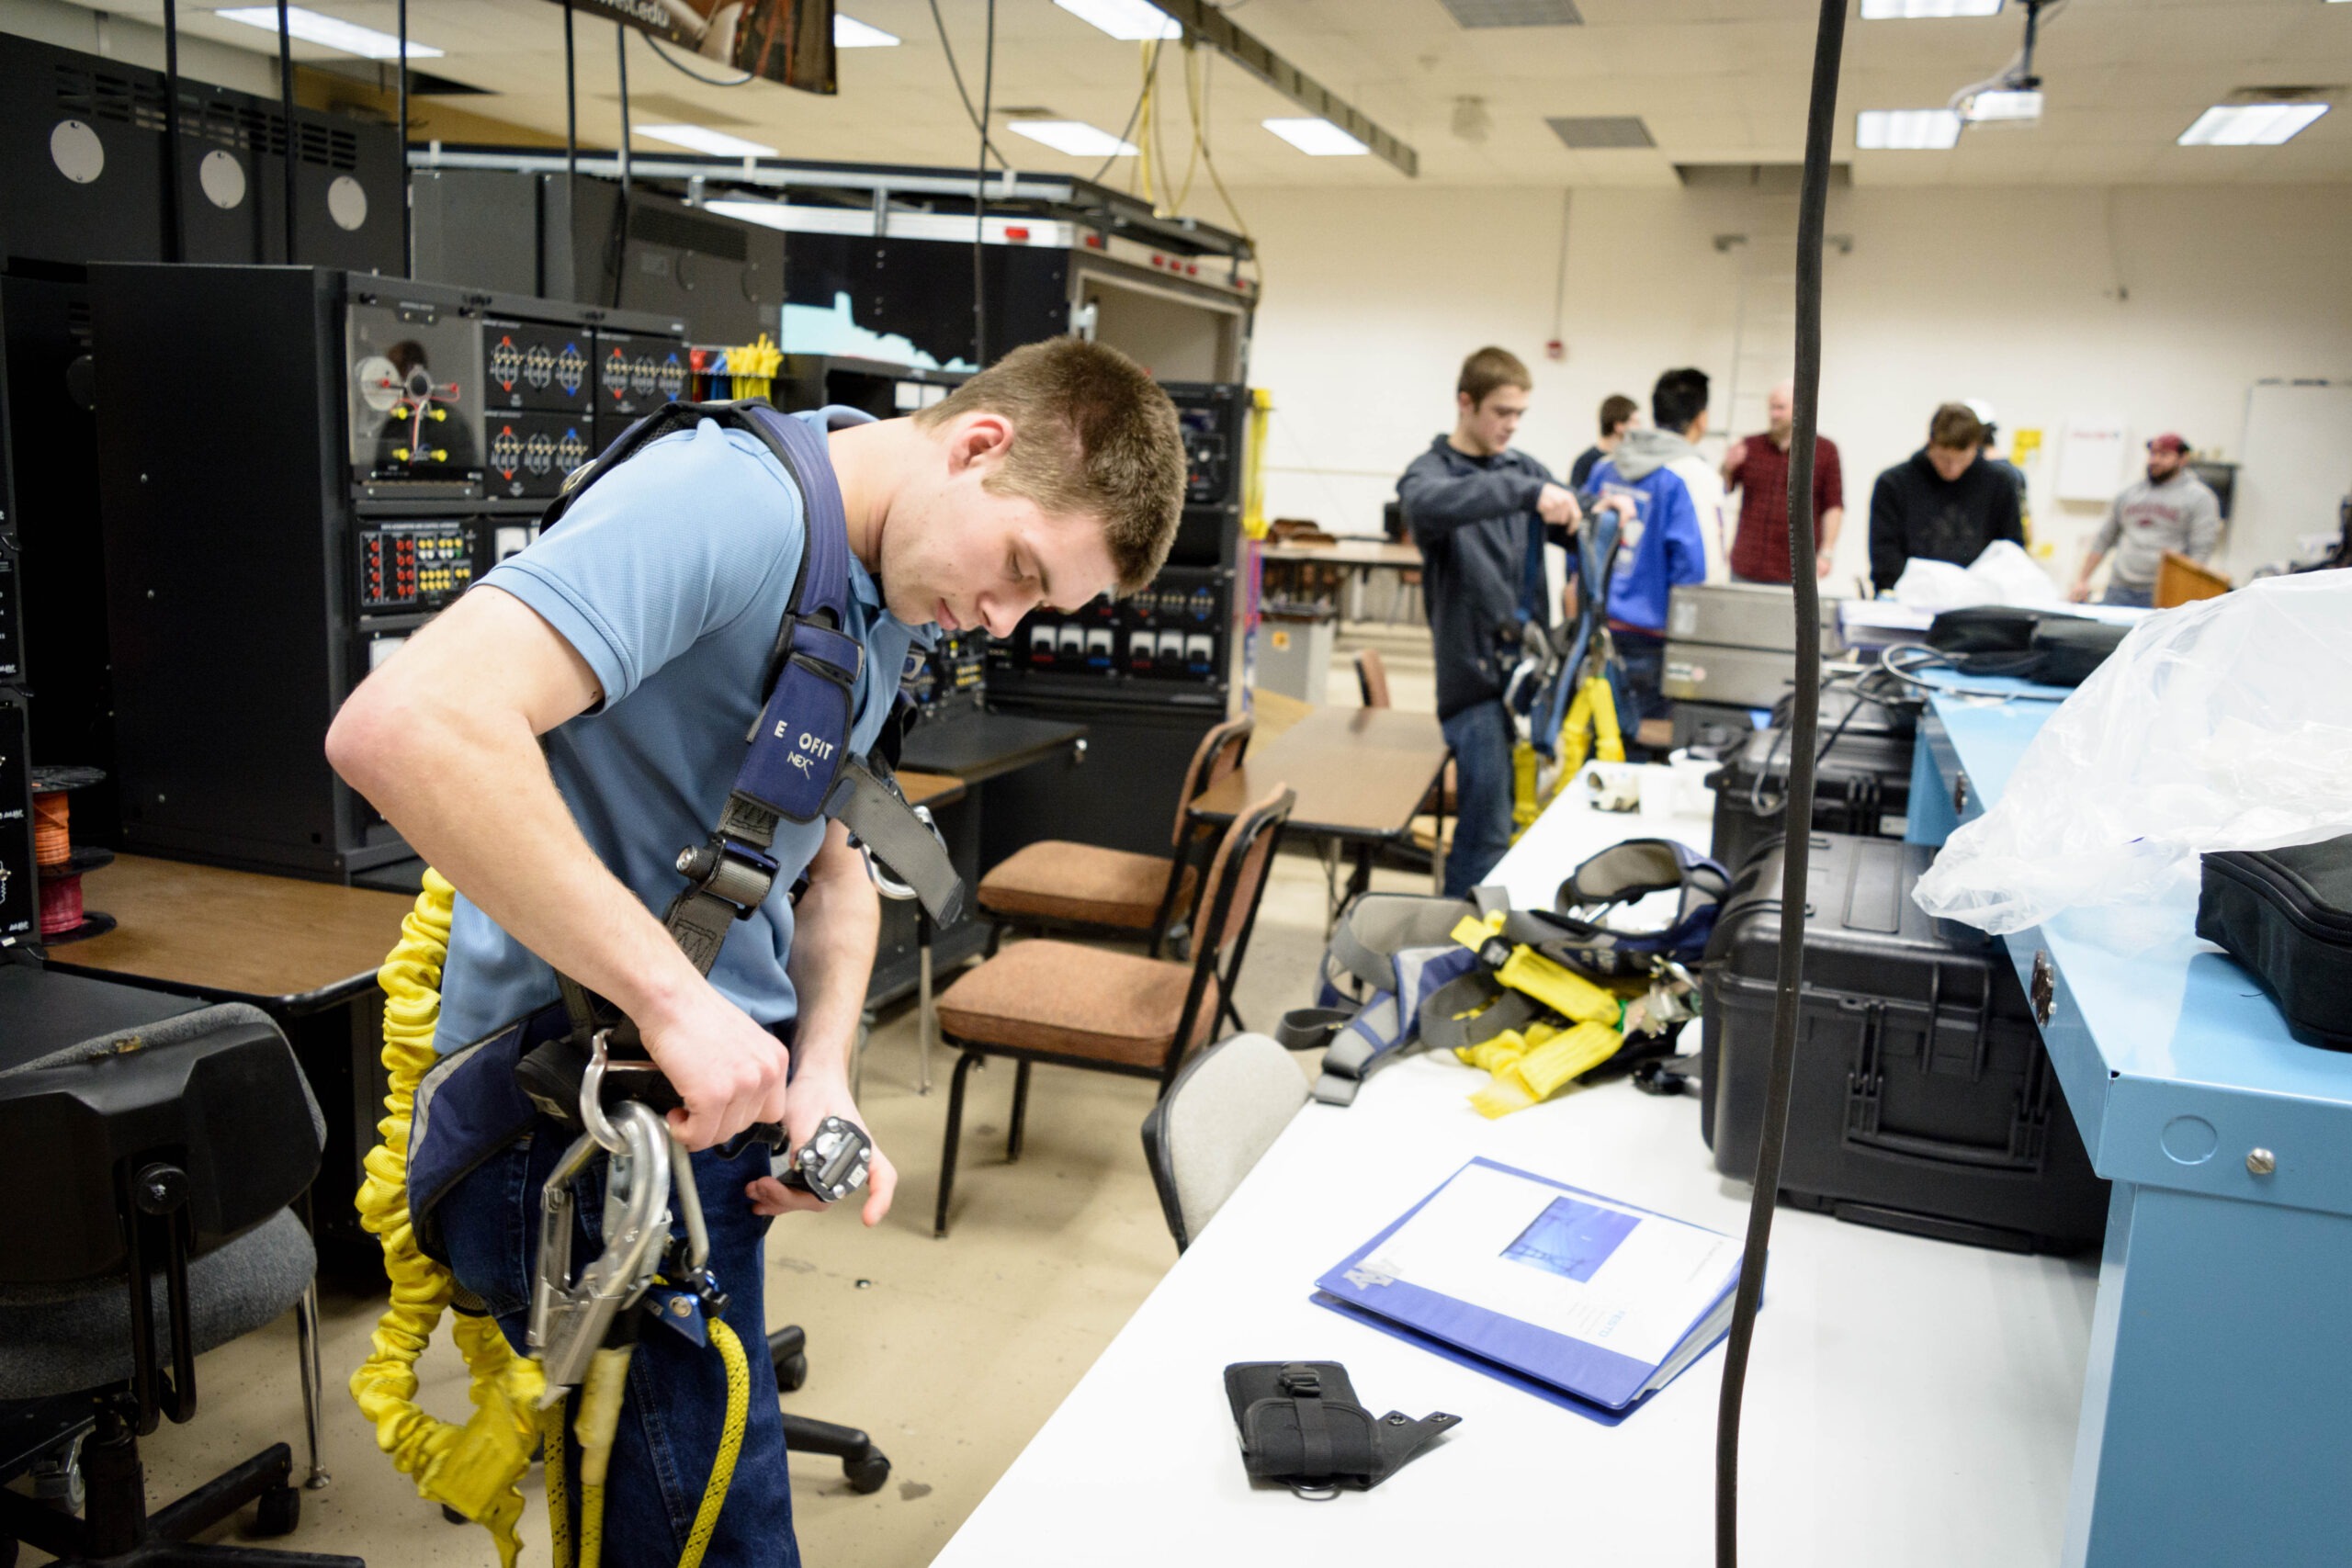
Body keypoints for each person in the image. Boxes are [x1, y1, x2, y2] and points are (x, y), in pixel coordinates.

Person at [325, 338, 1185, 1568]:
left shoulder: (868, 597)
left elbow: (830, 871)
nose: (1001, 615)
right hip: (567, 1127)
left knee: (679, 1512)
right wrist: (676, 1000)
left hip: (701, 1111)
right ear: (979, 444)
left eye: (1038, 604)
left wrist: (821, 1068)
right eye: (1018, 571)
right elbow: (404, 725)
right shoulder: (724, 503)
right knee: (717, 1539)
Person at [1397, 345, 1583, 897]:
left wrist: (1599, 510)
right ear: (1465, 403)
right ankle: (1454, 953)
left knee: (1526, 821)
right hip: (1473, 687)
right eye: (1502, 412)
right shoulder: (1431, 475)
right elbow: (1427, 506)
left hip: (1528, 680)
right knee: (1486, 836)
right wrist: (1527, 493)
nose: (1512, 425)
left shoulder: (1521, 469)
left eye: (1520, 414)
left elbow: (1568, 512)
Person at [1593, 367, 1717, 742]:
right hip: (1654, 639)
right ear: (1701, 419)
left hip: (1597, 630)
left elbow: (1577, 552)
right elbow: (1695, 570)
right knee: (1640, 749)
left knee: (1596, 737)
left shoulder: (1605, 468)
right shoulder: (1692, 475)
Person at [1867, 402, 2024, 592]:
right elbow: (1885, 553)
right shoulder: (1893, 482)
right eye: (1944, 459)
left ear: (1976, 447)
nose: (1952, 468)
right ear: (1930, 443)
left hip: (1976, 601)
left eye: (1961, 459)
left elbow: (2010, 551)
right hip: (1908, 598)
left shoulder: (2000, 483)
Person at [2070, 433, 2222, 607]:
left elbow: (2201, 552)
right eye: (2152, 454)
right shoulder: (2129, 494)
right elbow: (2103, 539)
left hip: (2164, 593)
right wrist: (2082, 580)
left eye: (2164, 455)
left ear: (2182, 459)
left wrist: (2187, 595)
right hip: (2119, 589)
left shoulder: (2199, 498)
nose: (2155, 460)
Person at [1721, 378, 1844, 582]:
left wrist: (1827, 552)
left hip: (1793, 570)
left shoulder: (1824, 452)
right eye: (1771, 408)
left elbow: (1834, 506)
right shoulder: (1750, 446)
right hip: (1747, 564)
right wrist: (1727, 468)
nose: (1773, 414)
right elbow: (1723, 490)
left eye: (1780, 408)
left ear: (1799, 409)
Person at [1570, 393, 1639, 491]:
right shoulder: (1585, 462)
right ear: (1619, 426)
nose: (1639, 428)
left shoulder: (1631, 461)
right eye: (1635, 422)